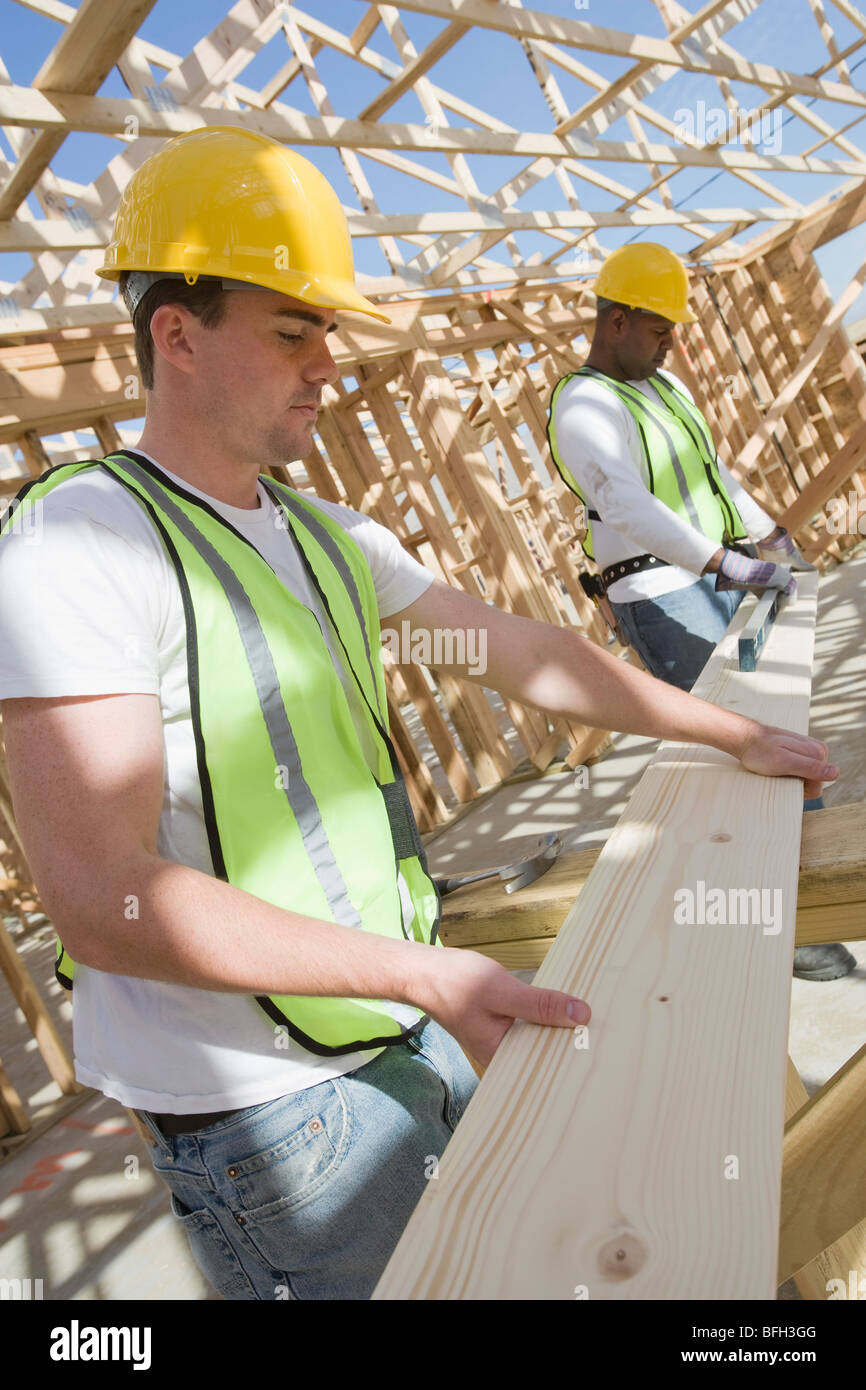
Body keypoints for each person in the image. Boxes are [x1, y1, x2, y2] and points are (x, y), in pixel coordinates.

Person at [0, 130, 840, 1301]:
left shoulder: (321, 537)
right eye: (292, 332)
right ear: (175, 336)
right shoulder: (82, 545)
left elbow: (524, 657)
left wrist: (727, 730)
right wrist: (418, 976)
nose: (326, 363)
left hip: (392, 1015)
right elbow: (102, 898)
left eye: (328, 333)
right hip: (267, 1116)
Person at [547, 241, 855, 984]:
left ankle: (805, 898)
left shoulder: (666, 387)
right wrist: (724, 562)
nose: (670, 343)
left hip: (718, 574)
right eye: (658, 329)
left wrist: (771, 539)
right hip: (659, 593)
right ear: (615, 320)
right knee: (732, 756)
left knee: (777, 735)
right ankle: (777, 929)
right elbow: (622, 502)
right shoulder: (582, 403)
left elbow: (713, 475)